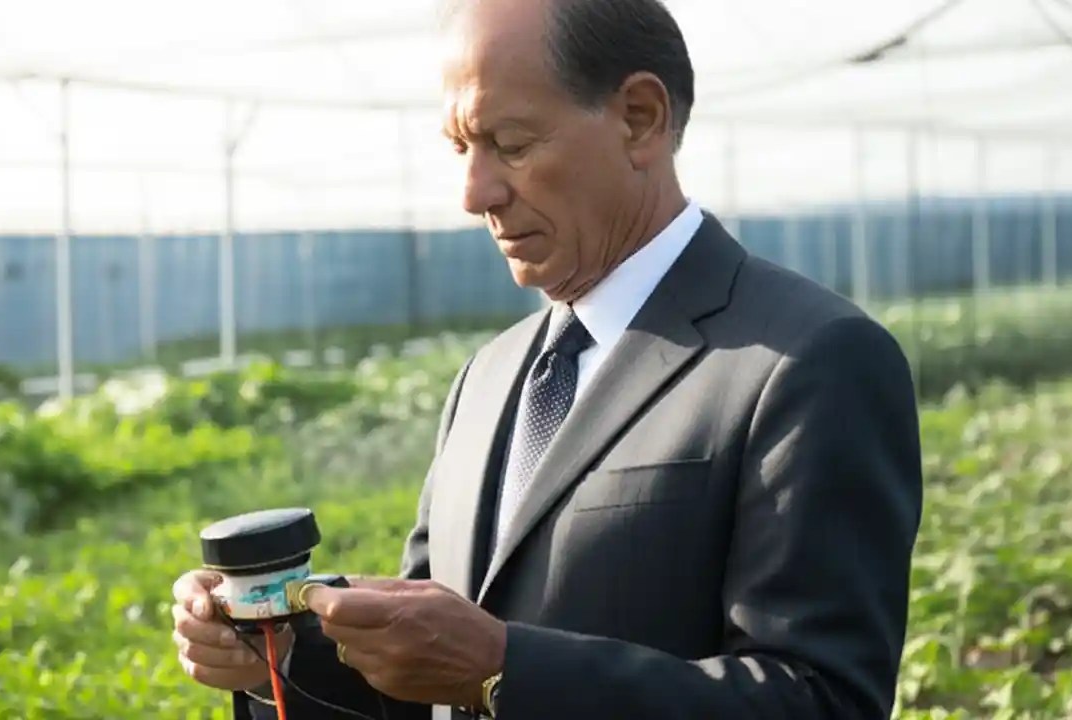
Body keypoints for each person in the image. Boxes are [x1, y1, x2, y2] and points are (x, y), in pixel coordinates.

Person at [172, 0, 924, 717]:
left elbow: (822, 700)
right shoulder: (489, 379)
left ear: (640, 120)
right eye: (461, 147)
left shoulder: (806, 361)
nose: (474, 191)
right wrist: (278, 657)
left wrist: (506, 670)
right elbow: (425, 683)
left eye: (512, 144)